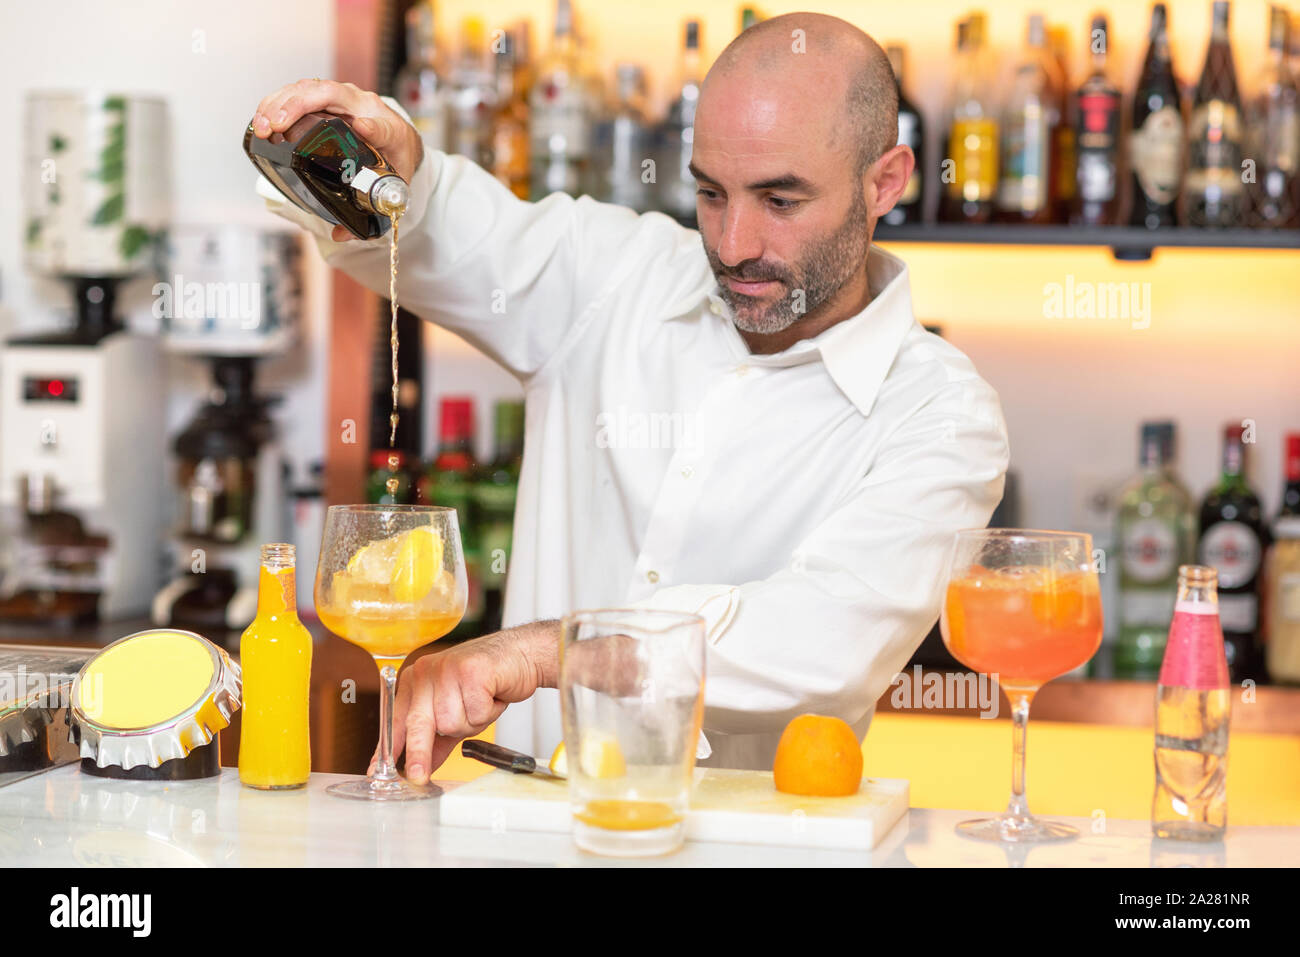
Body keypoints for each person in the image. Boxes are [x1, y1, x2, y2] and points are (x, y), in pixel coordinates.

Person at [250, 12, 1009, 780]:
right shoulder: (616, 273)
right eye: (711, 192)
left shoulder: (942, 415)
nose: (734, 244)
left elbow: (820, 640)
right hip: (526, 823)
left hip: (745, 839)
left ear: (885, 182)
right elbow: (432, 227)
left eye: (780, 201)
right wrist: (394, 165)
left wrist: (545, 653)